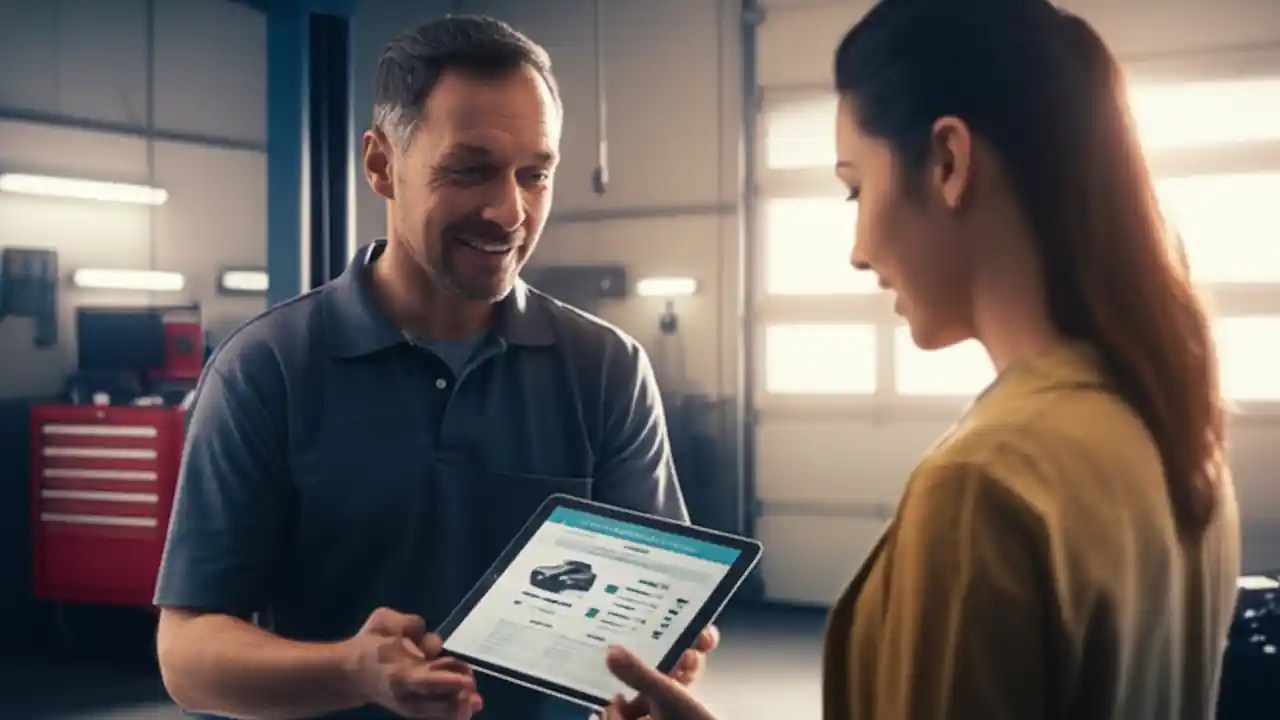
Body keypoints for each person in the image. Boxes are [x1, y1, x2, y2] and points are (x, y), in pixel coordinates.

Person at [601, 1, 1242, 718]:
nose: (856, 250)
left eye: (855, 187)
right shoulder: (1172, 429)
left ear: (948, 161)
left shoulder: (985, 485)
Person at [153, 15, 715, 720]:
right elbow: (187, 655)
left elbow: (650, 605)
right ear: (382, 165)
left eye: (535, 175)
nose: (509, 210)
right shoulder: (266, 371)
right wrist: (352, 671)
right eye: (470, 169)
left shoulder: (606, 369)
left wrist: (658, 653)